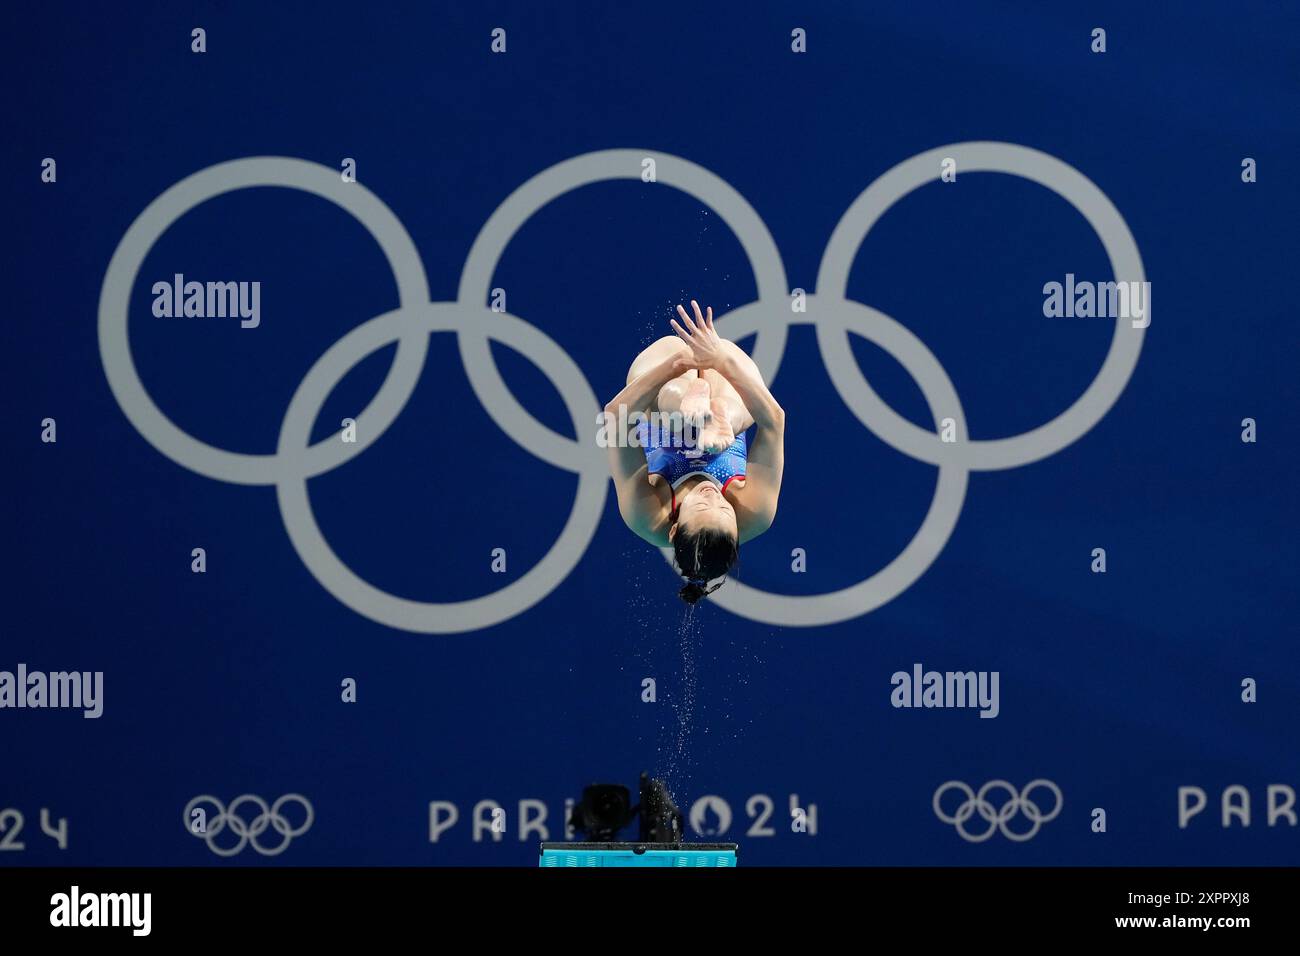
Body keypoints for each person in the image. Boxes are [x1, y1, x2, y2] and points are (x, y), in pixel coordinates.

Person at [603, 301, 786, 603]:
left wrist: (673, 367)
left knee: (673, 410)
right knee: (739, 412)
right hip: (727, 392)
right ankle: (717, 415)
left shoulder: (646, 517)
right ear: (738, 529)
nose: (713, 497)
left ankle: (687, 408)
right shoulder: (756, 514)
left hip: (661, 389)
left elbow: (614, 418)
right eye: (726, 509)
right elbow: (774, 422)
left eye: (701, 507)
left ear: (673, 530)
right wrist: (721, 360)